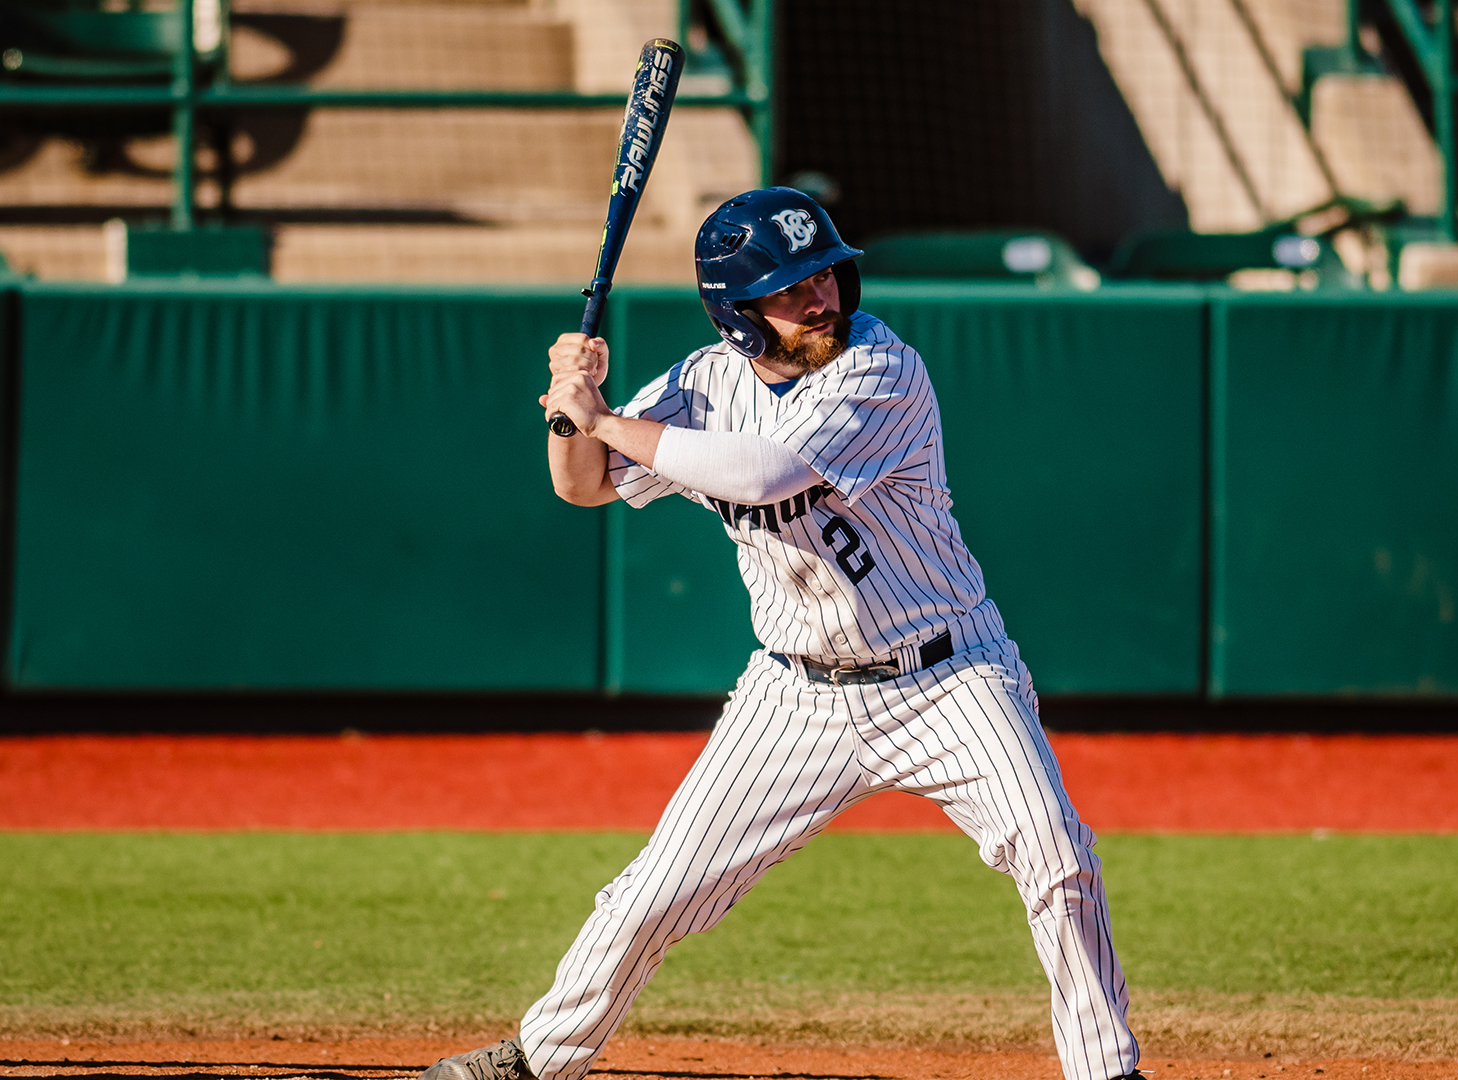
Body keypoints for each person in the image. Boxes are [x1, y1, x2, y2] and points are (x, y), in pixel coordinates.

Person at [417, 187, 1141, 1080]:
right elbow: (583, 485)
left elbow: (766, 472)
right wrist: (575, 407)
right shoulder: (701, 382)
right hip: (796, 693)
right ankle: (539, 1058)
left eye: (825, 276)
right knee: (657, 891)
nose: (822, 299)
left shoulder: (881, 368)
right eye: (792, 290)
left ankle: (1108, 1071)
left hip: (949, 672)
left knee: (1057, 856)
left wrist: (606, 420)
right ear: (738, 315)